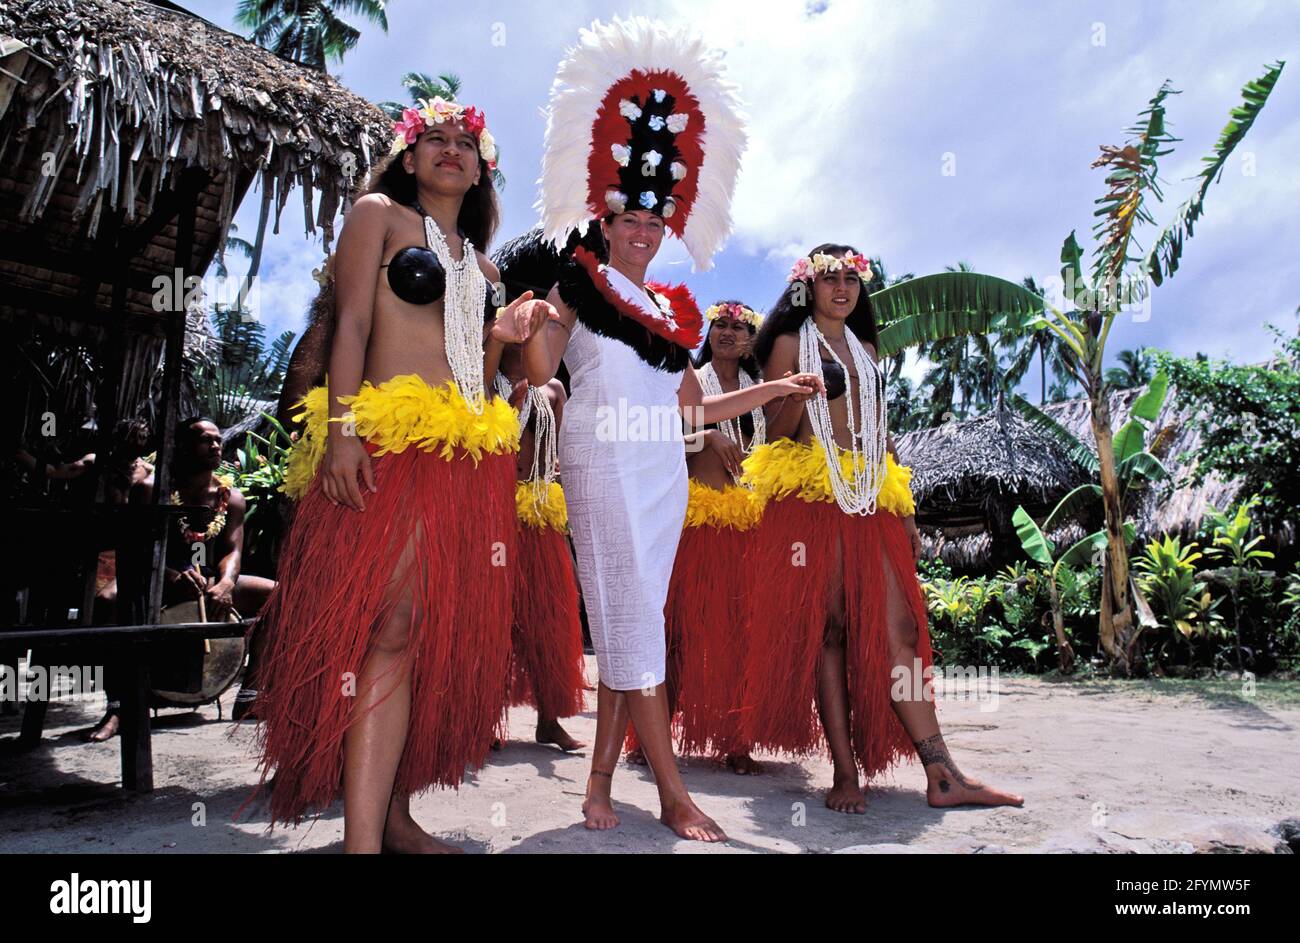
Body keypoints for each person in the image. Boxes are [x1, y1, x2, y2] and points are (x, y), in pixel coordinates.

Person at [526, 18, 822, 842]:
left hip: (659, 472)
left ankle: (596, 787)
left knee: (633, 623)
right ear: (605, 221)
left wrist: (774, 384)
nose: (643, 230)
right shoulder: (574, 287)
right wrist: (528, 327)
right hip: (599, 459)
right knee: (635, 624)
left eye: (655, 222)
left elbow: (694, 408)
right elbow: (538, 372)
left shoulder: (668, 310)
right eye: (628, 219)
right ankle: (670, 792)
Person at [239, 95, 552, 853]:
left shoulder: (482, 265)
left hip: (461, 465)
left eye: (465, 143)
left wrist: (501, 336)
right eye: (435, 139)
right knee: (390, 625)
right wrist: (343, 431)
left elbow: (473, 378)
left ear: (481, 171)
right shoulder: (377, 215)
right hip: (384, 443)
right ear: (409, 158)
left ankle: (396, 814)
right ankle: (362, 841)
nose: (452, 150)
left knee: (433, 639)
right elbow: (349, 322)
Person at [741, 245, 1024, 813]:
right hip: (811, 501)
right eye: (829, 280)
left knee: (900, 631)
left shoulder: (867, 349)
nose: (842, 288)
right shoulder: (790, 345)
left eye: (851, 279)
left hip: (873, 499)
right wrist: (802, 390)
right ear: (808, 288)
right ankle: (845, 774)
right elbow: (774, 433)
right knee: (833, 634)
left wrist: (908, 510)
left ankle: (942, 771)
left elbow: (881, 433)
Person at [625, 301, 769, 774]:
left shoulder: (760, 391)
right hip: (692, 523)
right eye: (720, 325)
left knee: (740, 637)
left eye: (739, 326)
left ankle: (736, 740)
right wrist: (706, 436)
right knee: (677, 633)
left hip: (747, 528)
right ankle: (651, 735)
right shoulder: (690, 380)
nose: (728, 333)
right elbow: (656, 435)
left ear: (752, 337)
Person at [89, 417, 273, 741]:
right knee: (107, 601)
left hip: (206, 581)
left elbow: (231, 549)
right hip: (151, 578)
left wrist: (226, 582)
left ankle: (249, 696)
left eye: (218, 440)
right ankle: (119, 706)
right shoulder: (151, 490)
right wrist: (171, 575)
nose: (215, 445)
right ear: (183, 447)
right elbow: (135, 549)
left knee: (278, 595)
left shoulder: (230, 497)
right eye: (205, 440)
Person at [493, 343, 587, 753]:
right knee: (494, 618)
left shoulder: (553, 390)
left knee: (549, 614)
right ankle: (482, 721)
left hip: (540, 508)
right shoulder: (481, 379)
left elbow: (561, 452)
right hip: (492, 509)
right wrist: (508, 411)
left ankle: (549, 720)